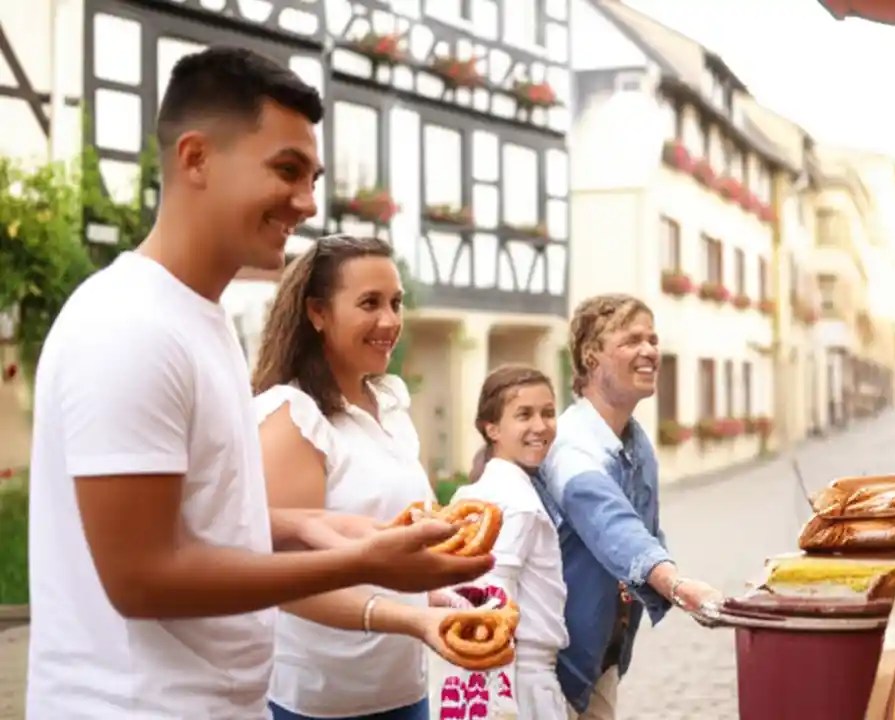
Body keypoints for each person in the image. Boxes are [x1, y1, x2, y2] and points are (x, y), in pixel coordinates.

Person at [24, 47, 491, 719]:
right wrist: (370, 566)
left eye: (314, 176)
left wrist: (310, 526)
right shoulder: (128, 326)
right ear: (195, 159)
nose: (306, 203)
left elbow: (192, 517)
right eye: (286, 171)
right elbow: (141, 578)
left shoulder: (197, 319)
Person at [251, 235, 472, 720]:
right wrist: (414, 620)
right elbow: (285, 582)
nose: (390, 321)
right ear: (317, 313)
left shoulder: (390, 406)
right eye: (369, 303)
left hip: (402, 692)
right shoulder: (293, 417)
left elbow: (399, 542)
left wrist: (441, 594)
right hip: (320, 704)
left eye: (396, 303)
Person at [539, 294, 723, 719]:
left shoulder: (636, 443)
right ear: (591, 357)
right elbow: (611, 524)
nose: (650, 351)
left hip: (599, 659)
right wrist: (675, 585)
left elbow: (646, 531)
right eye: (631, 340)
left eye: (653, 339)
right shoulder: (571, 446)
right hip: (552, 666)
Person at [428, 364, 571, 720]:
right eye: (524, 415)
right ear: (491, 428)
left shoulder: (476, 493)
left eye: (548, 413)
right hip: (518, 682)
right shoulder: (517, 505)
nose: (540, 426)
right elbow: (491, 604)